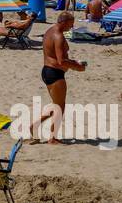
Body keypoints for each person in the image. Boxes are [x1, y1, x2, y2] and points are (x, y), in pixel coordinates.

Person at [35, 12, 86, 145]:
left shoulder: (49, 31)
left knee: (56, 105)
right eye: (71, 23)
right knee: (60, 107)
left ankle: (34, 126)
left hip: (47, 71)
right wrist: (77, 67)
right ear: (64, 22)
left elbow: (55, 56)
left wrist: (74, 62)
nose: (72, 26)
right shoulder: (59, 36)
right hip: (55, 73)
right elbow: (61, 61)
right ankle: (53, 138)